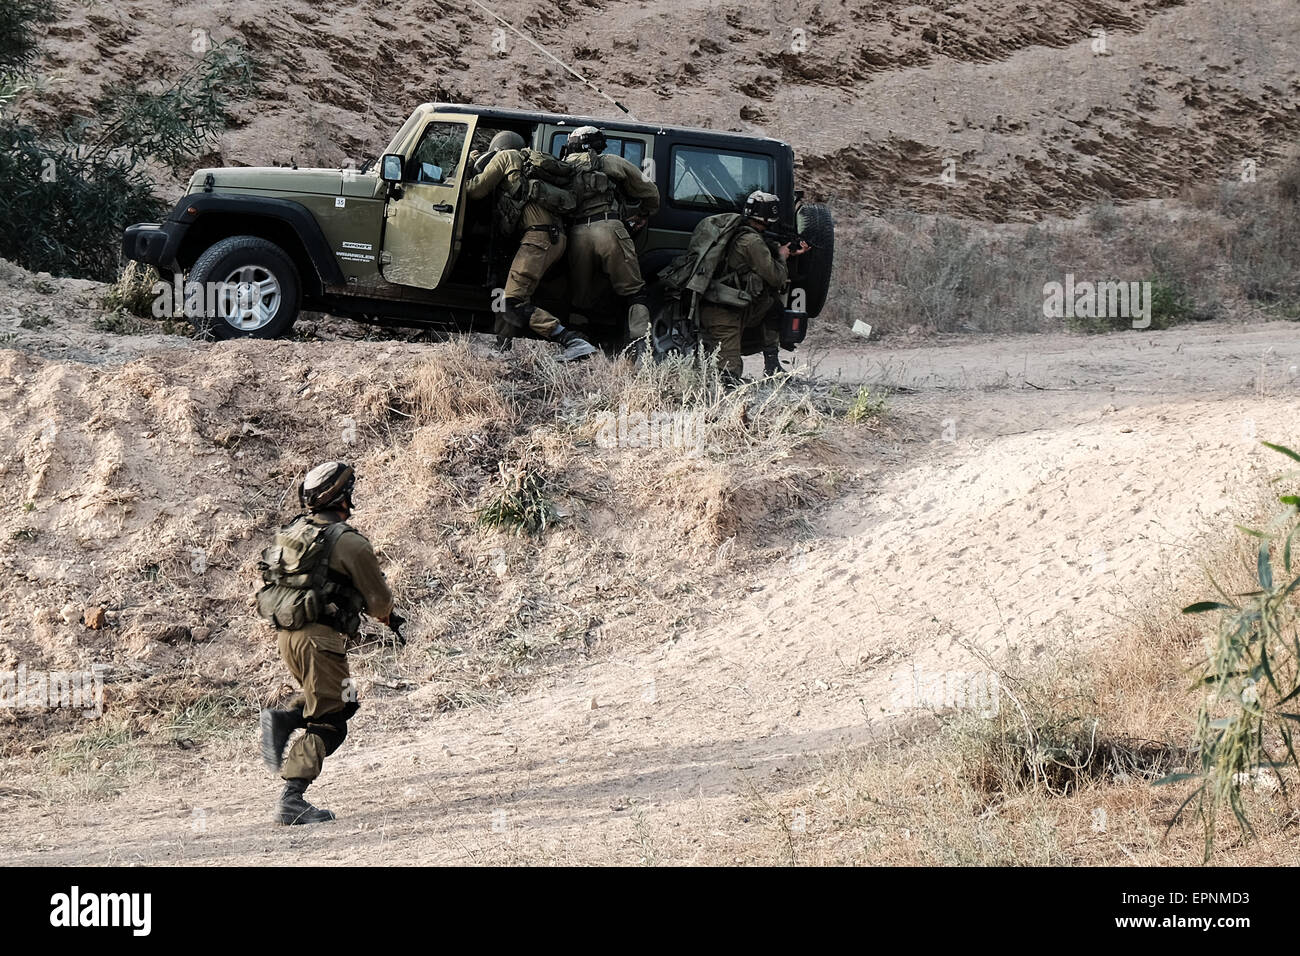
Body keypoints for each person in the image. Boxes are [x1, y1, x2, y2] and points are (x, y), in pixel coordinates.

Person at [256, 461, 396, 825]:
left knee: (342, 698)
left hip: (289, 636)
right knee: (331, 721)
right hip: (319, 641)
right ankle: (292, 797)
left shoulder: (294, 532)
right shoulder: (348, 541)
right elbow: (379, 601)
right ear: (342, 497)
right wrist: (385, 615)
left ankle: (286, 718)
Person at [465, 130, 596, 362]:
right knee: (508, 292)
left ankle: (572, 340)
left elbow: (476, 190)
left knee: (512, 302)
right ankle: (502, 347)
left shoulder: (505, 157)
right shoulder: (531, 161)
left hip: (538, 239)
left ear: (498, 148)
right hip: (554, 238)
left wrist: (470, 164)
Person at [561, 126, 661, 354]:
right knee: (635, 291)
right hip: (609, 228)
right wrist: (644, 213)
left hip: (576, 235)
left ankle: (577, 348)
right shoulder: (613, 162)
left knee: (580, 300)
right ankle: (639, 347)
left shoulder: (563, 166)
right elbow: (650, 193)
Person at [695, 190, 806, 384]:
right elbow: (777, 278)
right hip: (724, 314)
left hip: (729, 306)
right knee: (729, 376)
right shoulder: (752, 241)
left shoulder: (738, 231)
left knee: (773, 308)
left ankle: (772, 364)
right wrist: (782, 255)